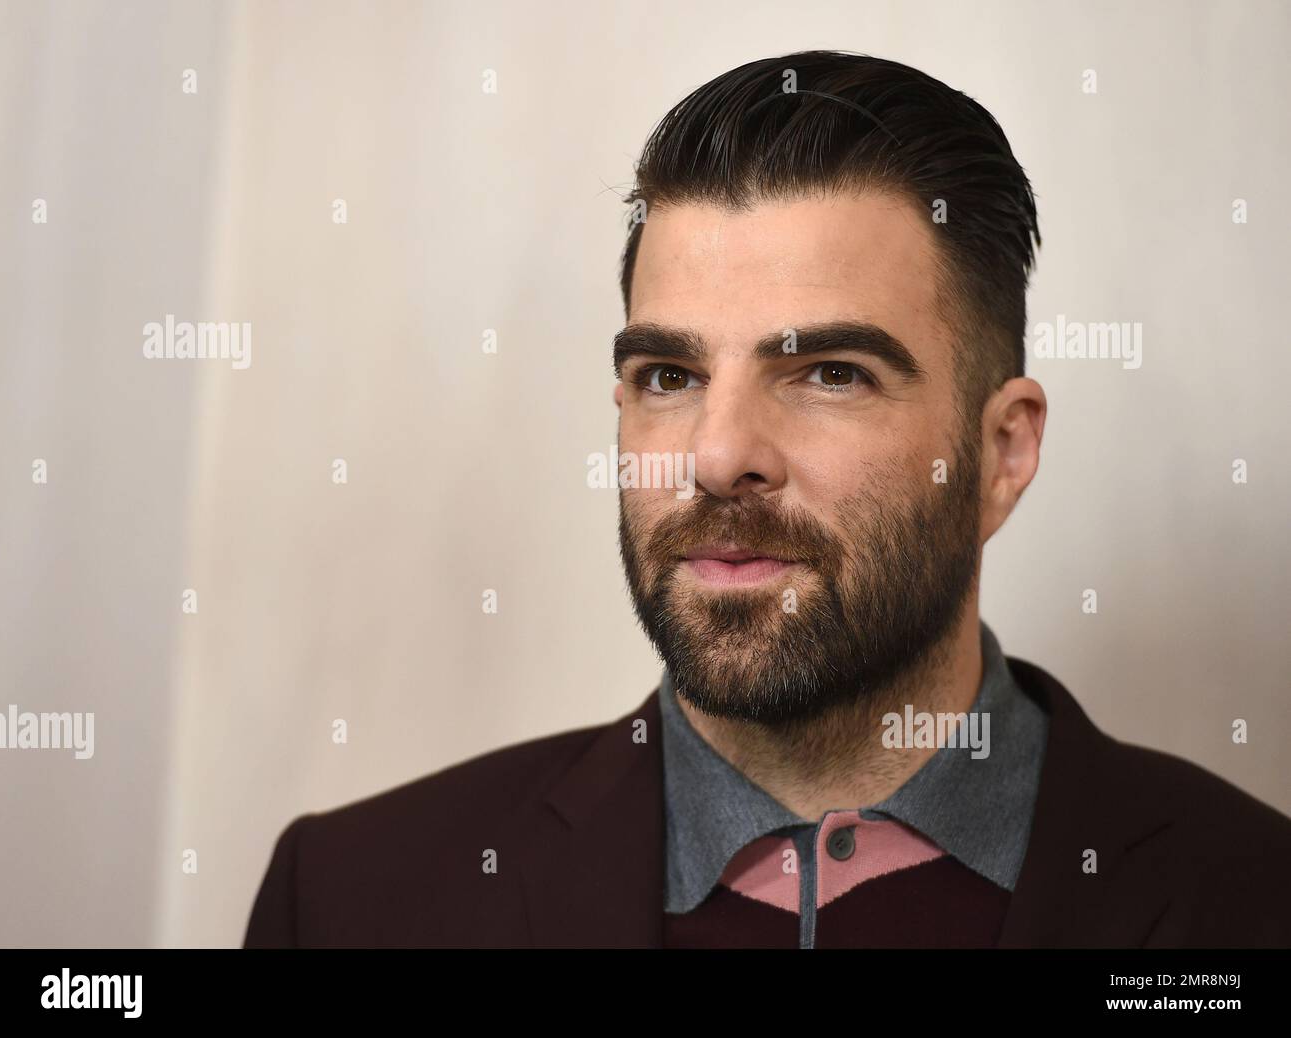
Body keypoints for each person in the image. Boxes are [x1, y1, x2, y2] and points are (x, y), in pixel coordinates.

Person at [243, 50, 1291, 948]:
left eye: (829, 372)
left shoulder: (1250, 900)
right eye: (669, 376)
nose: (716, 455)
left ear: (1001, 451)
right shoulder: (353, 903)